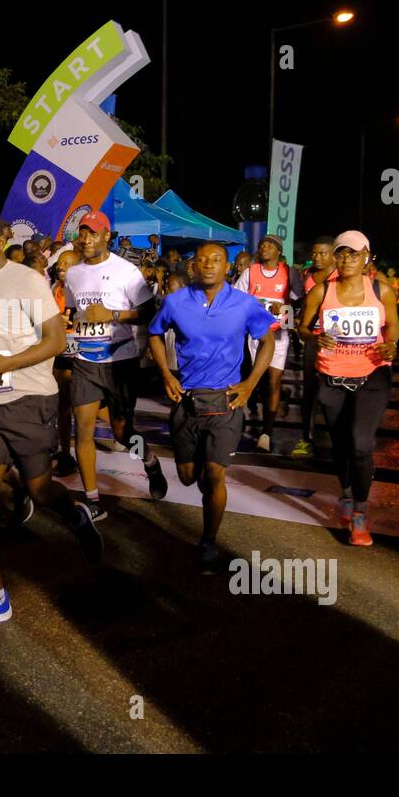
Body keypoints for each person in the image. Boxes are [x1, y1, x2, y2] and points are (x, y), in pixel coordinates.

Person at [0, 210, 103, 634]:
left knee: (39, 488)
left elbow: (55, 341)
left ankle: (74, 513)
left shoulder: (29, 280)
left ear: (1, 241)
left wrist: (8, 362)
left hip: (30, 401)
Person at [148, 244, 276, 572]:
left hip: (226, 401)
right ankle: (193, 476)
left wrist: (250, 384)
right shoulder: (176, 301)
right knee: (189, 477)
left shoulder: (244, 304)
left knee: (215, 476)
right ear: (193, 266)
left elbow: (268, 341)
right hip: (186, 400)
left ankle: (208, 540)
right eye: (202, 260)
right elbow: (154, 335)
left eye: (216, 260)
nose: (208, 265)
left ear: (227, 266)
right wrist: (166, 374)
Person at [298, 231, 399, 547]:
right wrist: (316, 337)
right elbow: (302, 328)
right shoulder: (320, 291)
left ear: (367, 256)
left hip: (372, 376)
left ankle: (359, 511)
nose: (346, 260)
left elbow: (392, 325)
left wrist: (391, 345)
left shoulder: (381, 289)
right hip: (332, 377)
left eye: (354, 254)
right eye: (341, 254)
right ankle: (345, 492)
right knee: (341, 445)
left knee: (360, 445)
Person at [63, 211, 167, 519]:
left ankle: (150, 462)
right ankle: (93, 501)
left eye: (93, 233)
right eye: (82, 233)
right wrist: (68, 322)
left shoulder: (126, 271)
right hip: (84, 360)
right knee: (82, 430)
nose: (87, 239)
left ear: (107, 236)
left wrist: (113, 315)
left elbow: (150, 313)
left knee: (122, 433)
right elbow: (74, 311)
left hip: (120, 363)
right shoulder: (74, 273)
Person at [235, 234, 302, 454]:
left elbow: (296, 313)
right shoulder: (250, 272)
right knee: (259, 382)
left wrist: (283, 311)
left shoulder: (289, 273)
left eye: (270, 245)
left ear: (278, 251)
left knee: (273, 381)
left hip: (279, 336)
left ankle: (266, 433)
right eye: (262, 244)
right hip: (255, 336)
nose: (264, 247)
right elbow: (235, 300)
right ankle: (259, 411)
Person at [293, 236, 335, 459]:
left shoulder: (341, 277)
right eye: (315, 253)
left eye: (323, 253)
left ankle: (335, 435)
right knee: (309, 389)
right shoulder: (307, 276)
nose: (317, 257)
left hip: (336, 342)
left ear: (333, 255)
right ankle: (306, 437)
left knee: (334, 390)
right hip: (312, 339)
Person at [52, 249, 80, 476]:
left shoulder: (83, 290)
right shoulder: (55, 289)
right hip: (62, 351)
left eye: (67, 264)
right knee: (63, 404)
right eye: (60, 263)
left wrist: (74, 322)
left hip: (82, 353)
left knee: (86, 409)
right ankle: (65, 453)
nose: (61, 267)